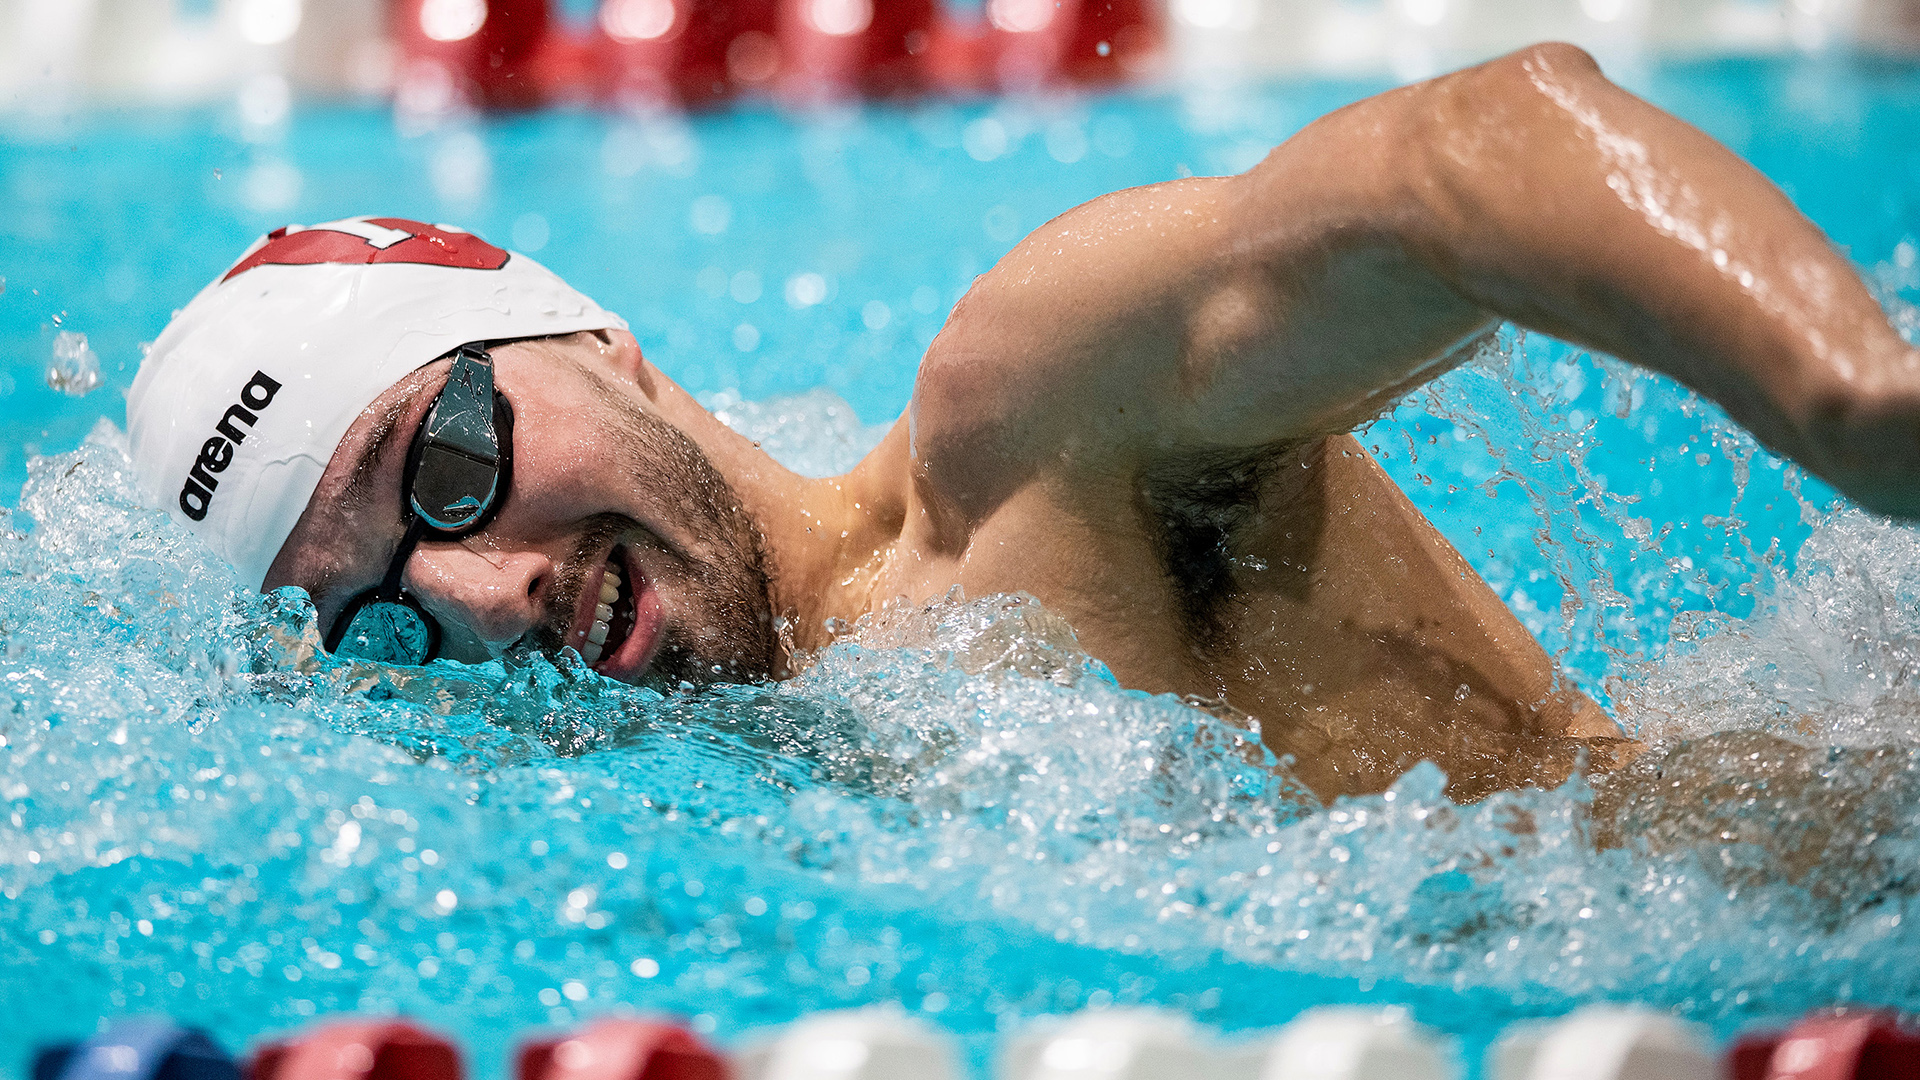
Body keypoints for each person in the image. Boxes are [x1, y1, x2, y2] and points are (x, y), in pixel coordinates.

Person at [128, 43, 1920, 803]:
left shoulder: (1024, 431)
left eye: (448, 468)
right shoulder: (752, 780)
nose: (483, 596)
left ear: (592, 339)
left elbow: (1472, 152)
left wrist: (1851, 403)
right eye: (383, 619)